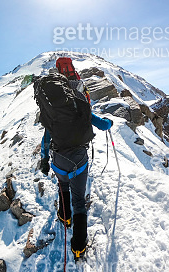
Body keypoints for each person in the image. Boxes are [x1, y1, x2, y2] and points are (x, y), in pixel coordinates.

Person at [36, 57, 113, 259]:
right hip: (79, 158)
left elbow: (46, 140)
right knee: (79, 200)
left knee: (63, 188)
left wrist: (44, 161)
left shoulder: (53, 115)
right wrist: (109, 122)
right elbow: (103, 125)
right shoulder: (82, 108)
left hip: (58, 159)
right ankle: (78, 247)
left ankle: (64, 217)